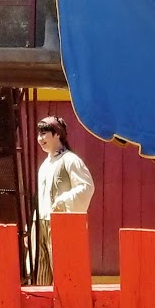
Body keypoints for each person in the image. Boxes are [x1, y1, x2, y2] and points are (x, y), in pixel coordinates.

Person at [32, 116, 95, 285]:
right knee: (40, 274)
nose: (40, 139)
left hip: (60, 223)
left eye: (44, 134)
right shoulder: (45, 165)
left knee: (63, 270)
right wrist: (32, 225)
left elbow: (86, 187)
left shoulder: (70, 160)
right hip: (41, 224)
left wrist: (63, 201)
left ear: (57, 134)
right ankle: (44, 302)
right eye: (39, 134)